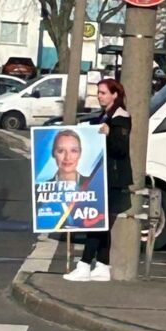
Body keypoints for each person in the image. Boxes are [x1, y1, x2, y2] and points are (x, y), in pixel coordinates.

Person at [64, 78, 132, 284]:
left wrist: (109, 134)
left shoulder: (121, 117)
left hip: (112, 177)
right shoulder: (105, 116)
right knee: (101, 223)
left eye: (103, 93)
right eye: (99, 93)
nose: (99, 96)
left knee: (96, 221)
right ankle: (102, 266)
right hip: (102, 176)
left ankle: (84, 265)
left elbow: (120, 148)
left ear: (115, 95)